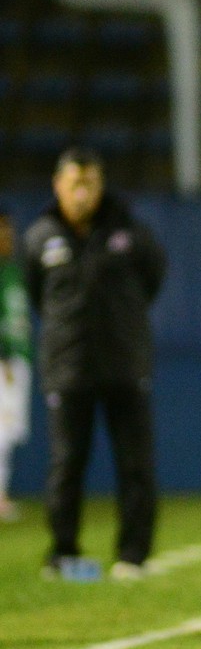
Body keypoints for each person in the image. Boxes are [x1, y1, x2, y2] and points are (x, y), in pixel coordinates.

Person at [23, 148, 166, 581]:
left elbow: (152, 278)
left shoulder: (130, 232)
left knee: (135, 463)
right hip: (68, 368)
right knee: (66, 463)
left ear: (100, 185)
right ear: (58, 186)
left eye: (89, 183)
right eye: (74, 183)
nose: (82, 192)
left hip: (125, 365)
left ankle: (133, 554)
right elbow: (37, 295)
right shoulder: (40, 237)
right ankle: (63, 552)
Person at [0, 210, 33, 523]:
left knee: (9, 431)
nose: (7, 238)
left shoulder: (12, 271)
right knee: (1, 432)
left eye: (8, 231)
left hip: (17, 359)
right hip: (4, 362)